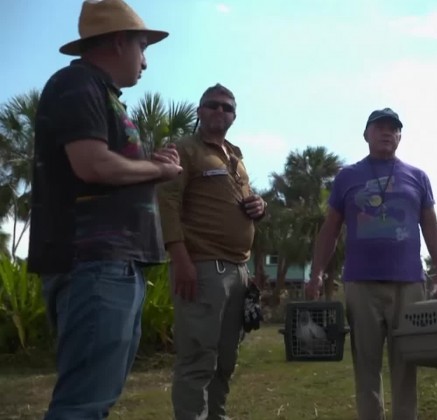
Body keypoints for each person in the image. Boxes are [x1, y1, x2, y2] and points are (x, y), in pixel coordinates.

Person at [27, 0, 177, 418]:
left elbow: (110, 165)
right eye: (142, 48)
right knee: (83, 405)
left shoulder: (102, 94)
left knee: (95, 399)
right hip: (92, 266)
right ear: (118, 42)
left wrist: (152, 167)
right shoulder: (78, 84)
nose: (145, 62)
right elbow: (92, 165)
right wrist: (157, 171)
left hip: (110, 267)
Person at [306, 108, 437, 420]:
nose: (387, 132)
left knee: (406, 363)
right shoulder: (347, 177)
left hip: (409, 283)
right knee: (366, 366)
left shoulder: (417, 177)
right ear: (366, 134)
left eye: (393, 128)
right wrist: (316, 273)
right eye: (380, 127)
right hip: (361, 283)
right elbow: (330, 230)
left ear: (400, 136)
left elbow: (431, 227)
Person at [157, 83, 266, 420]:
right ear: (199, 111)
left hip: (238, 270)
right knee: (197, 358)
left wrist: (258, 206)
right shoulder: (184, 150)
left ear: (234, 116)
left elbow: (237, 203)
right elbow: (167, 202)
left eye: (227, 108)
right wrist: (181, 260)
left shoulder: (235, 155)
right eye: (213, 105)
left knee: (225, 359)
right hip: (202, 268)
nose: (220, 112)